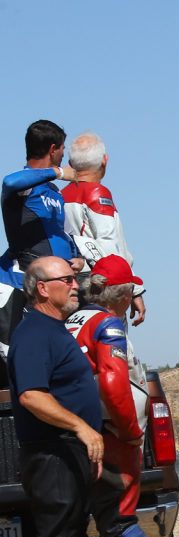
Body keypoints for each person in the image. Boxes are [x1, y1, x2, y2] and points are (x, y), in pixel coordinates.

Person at [7, 257, 108, 537]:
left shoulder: (52, 331)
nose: (76, 286)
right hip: (52, 455)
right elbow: (32, 396)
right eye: (67, 280)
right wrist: (82, 429)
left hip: (69, 455)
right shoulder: (33, 334)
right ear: (41, 288)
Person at [65, 255, 162, 537]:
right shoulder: (106, 324)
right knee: (125, 533)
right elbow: (111, 380)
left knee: (68, 533)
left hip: (68, 438)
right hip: (107, 438)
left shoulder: (70, 319)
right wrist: (130, 431)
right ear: (121, 295)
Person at [0, 121, 82, 366]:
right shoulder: (24, 186)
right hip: (20, 284)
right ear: (53, 149)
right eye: (62, 149)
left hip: (55, 286)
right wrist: (58, 172)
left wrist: (76, 257)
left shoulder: (54, 192)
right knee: (14, 358)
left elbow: (58, 232)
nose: (64, 155)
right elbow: (9, 182)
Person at [62, 133, 146, 326]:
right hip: (102, 285)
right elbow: (110, 247)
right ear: (104, 161)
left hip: (72, 284)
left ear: (71, 163)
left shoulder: (59, 196)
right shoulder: (97, 192)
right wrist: (134, 290)